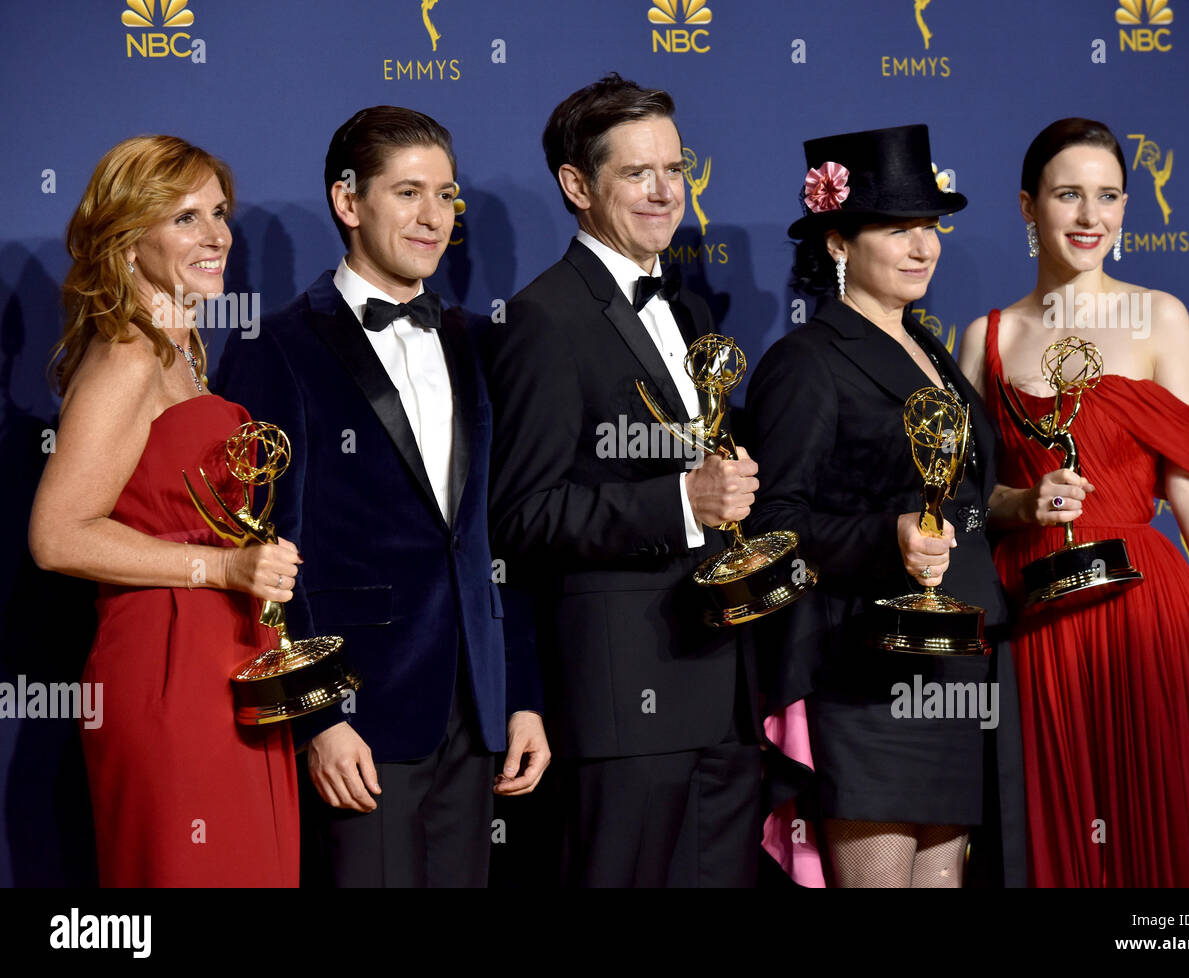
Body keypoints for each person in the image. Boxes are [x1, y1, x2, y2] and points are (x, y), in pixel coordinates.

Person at [214, 105, 548, 888]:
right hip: (359, 714)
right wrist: (317, 716)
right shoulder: (277, 348)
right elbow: (260, 548)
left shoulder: (474, 340)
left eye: (445, 194)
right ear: (348, 202)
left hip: (475, 708)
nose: (434, 217)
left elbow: (496, 534)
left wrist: (522, 695)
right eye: (408, 193)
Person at [957, 117, 1189, 887]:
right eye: (1069, 196)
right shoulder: (984, 339)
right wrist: (1022, 502)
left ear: (1127, 208)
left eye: (1108, 197)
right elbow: (963, 501)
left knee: (1163, 832)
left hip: (1148, 610)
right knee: (1055, 831)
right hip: (1034, 616)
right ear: (1028, 207)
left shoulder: (1162, 317)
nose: (1090, 217)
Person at [484, 74, 762, 887]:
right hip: (622, 700)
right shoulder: (543, 319)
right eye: (638, 173)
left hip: (723, 684)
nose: (664, 191)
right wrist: (683, 502)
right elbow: (521, 515)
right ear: (577, 185)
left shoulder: (689, 314)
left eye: (675, 170)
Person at [745, 125, 1025, 888]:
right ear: (837, 241)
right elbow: (773, 528)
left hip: (958, 664)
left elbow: (958, 499)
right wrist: (884, 536)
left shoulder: (932, 353)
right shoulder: (805, 362)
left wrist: (1026, 507)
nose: (922, 246)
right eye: (897, 228)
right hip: (866, 674)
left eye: (930, 227)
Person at [28, 135, 300, 886]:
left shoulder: (182, 354)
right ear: (126, 237)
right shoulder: (127, 357)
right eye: (185, 218)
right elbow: (56, 536)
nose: (216, 237)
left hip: (228, 659)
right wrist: (221, 566)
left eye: (219, 213)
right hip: (168, 668)